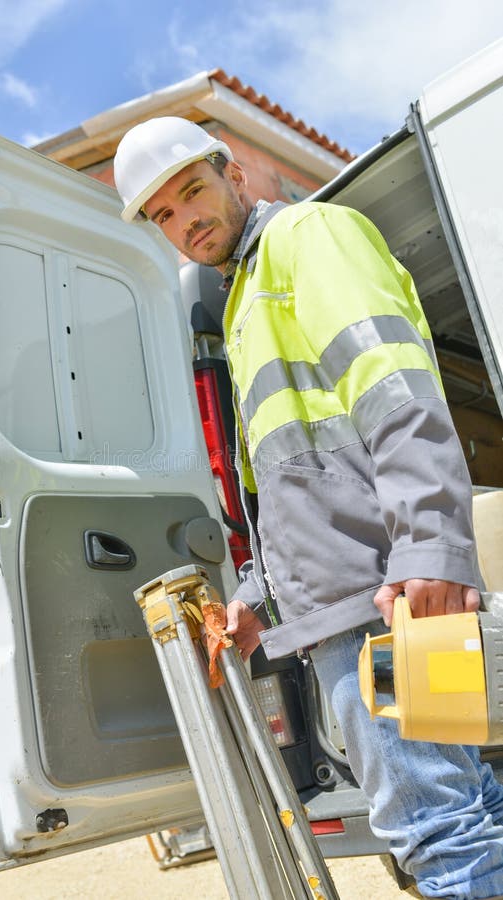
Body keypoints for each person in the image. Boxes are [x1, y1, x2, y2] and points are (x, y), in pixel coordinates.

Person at [114, 116, 503, 899]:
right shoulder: (242, 300)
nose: (183, 220)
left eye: (192, 190)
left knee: (436, 827)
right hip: (358, 601)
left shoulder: (306, 236)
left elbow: (395, 391)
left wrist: (428, 545)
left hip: (381, 605)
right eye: (161, 213)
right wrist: (258, 598)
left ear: (235, 177)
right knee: (464, 805)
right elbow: (294, 486)